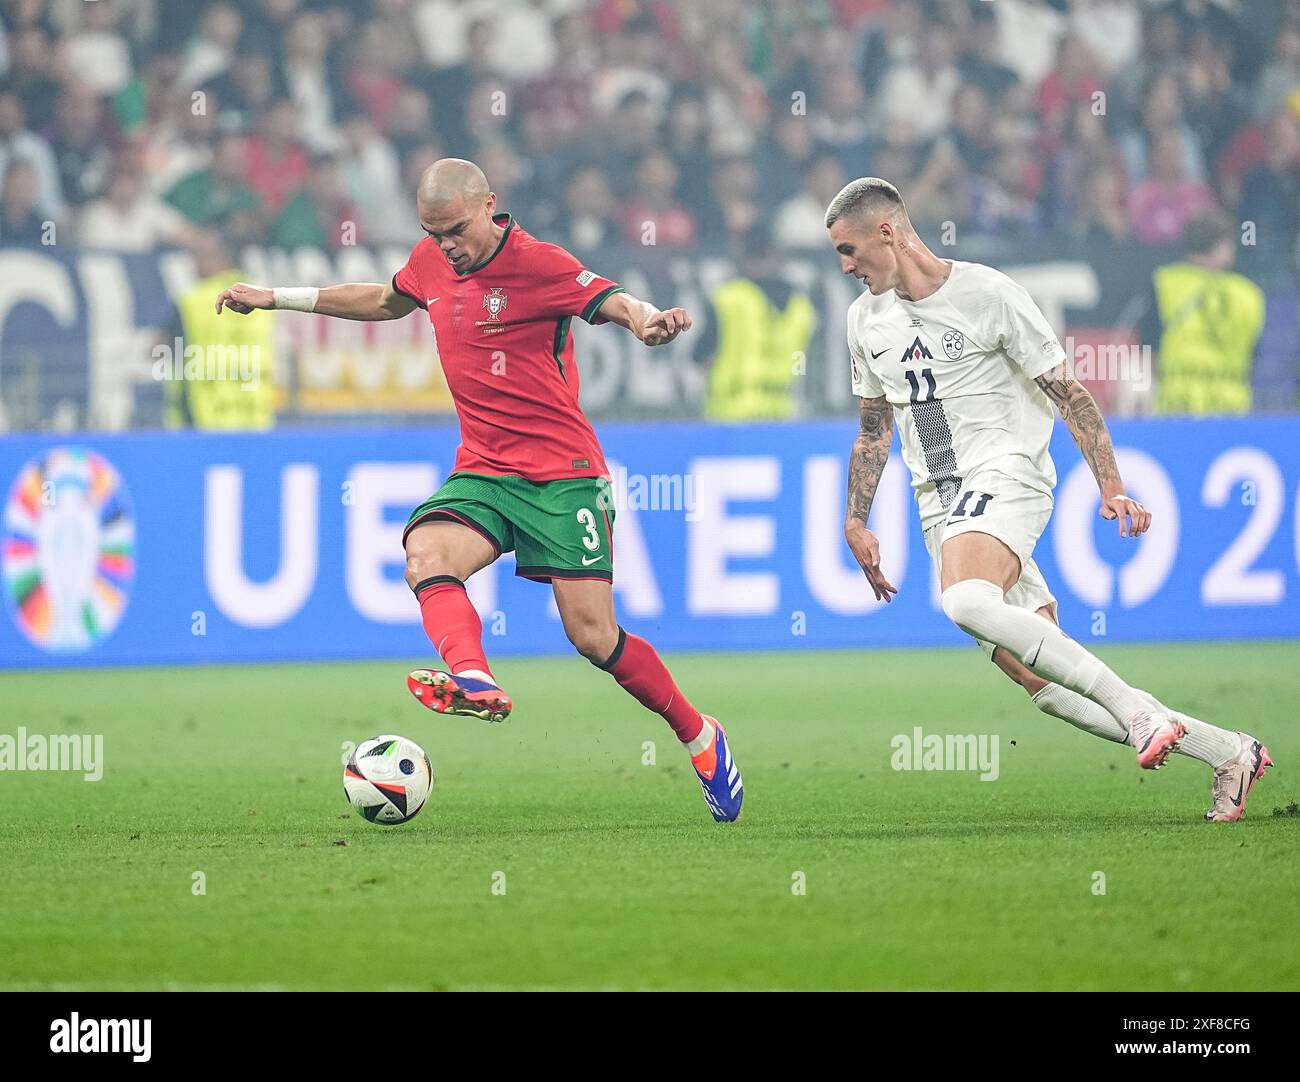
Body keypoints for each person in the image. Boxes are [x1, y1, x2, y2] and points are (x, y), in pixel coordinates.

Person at [215, 158, 743, 823]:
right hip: (486, 470)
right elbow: (384, 299)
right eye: (434, 234)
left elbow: (608, 299)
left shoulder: (538, 262)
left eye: (457, 230)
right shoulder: (434, 261)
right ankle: (474, 676)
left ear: (489, 206)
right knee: (425, 555)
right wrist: (275, 297)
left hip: (563, 474)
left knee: (594, 638)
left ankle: (700, 736)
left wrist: (642, 320)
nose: (447, 246)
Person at [826, 177, 1270, 823]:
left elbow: (1069, 393)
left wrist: (1111, 485)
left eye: (848, 249)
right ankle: (1230, 751)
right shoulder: (864, 320)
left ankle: (1140, 712)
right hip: (940, 505)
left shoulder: (989, 294)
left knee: (962, 599)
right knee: (1045, 686)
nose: (844, 267)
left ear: (887, 232)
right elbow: (873, 429)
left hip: (1008, 473)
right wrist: (855, 520)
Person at [1142, 210, 1266, 415]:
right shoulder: (1250, 294)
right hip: (1232, 408)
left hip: (1177, 407)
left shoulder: (1163, 282)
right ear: (1221, 247)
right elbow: (1254, 354)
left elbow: (1148, 346)